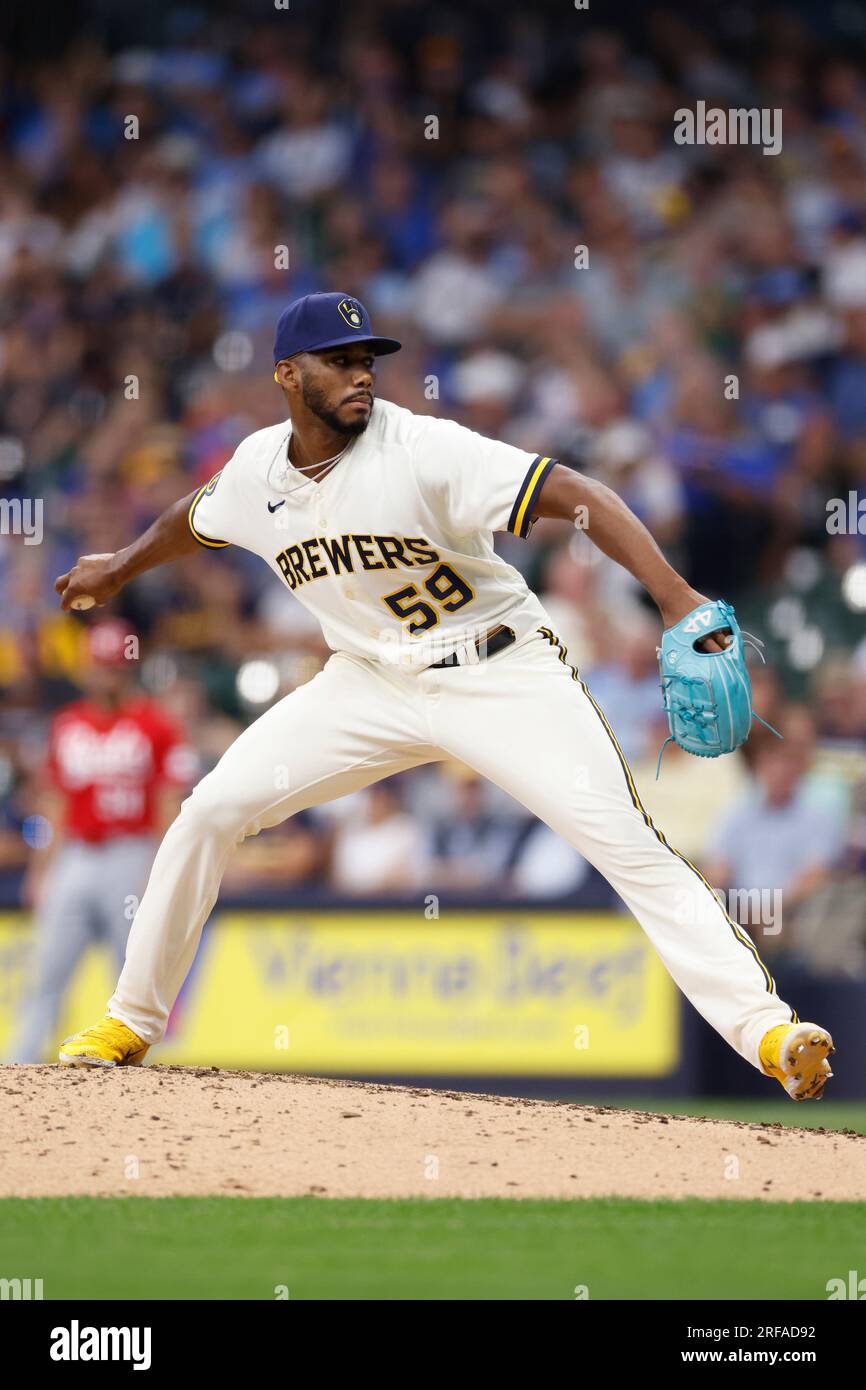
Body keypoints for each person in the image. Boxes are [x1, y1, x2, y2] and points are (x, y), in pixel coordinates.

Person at [55, 292, 834, 1101]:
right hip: (365, 683)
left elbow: (577, 495)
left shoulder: (424, 449)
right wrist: (119, 566)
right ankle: (132, 1020)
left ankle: (770, 1032)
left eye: (368, 360)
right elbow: (199, 516)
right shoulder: (259, 469)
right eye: (341, 360)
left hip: (498, 674)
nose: (362, 375)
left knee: (624, 841)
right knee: (211, 811)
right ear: (287, 374)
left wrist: (675, 600)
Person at [7, 620, 194, 1061]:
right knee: (47, 969)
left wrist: (158, 868)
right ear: (88, 667)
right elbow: (55, 803)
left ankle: (141, 1067)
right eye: (101, 666)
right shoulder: (67, 723)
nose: (107, 675)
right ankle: (19, 1067)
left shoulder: (156, 724)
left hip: (130, 853)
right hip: (75, 853)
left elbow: (169, 802)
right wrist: (41, 871)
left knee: (132, 969)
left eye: (115, 666)